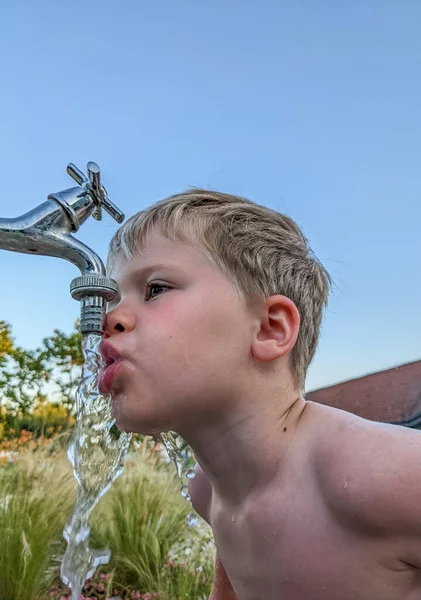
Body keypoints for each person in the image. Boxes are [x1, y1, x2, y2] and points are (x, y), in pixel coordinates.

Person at [99, 189, 421, 600]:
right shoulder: (209, 491)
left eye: (156, 289)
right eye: (111, 299)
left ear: (270, 328)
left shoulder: (374, 476)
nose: (109, 319)